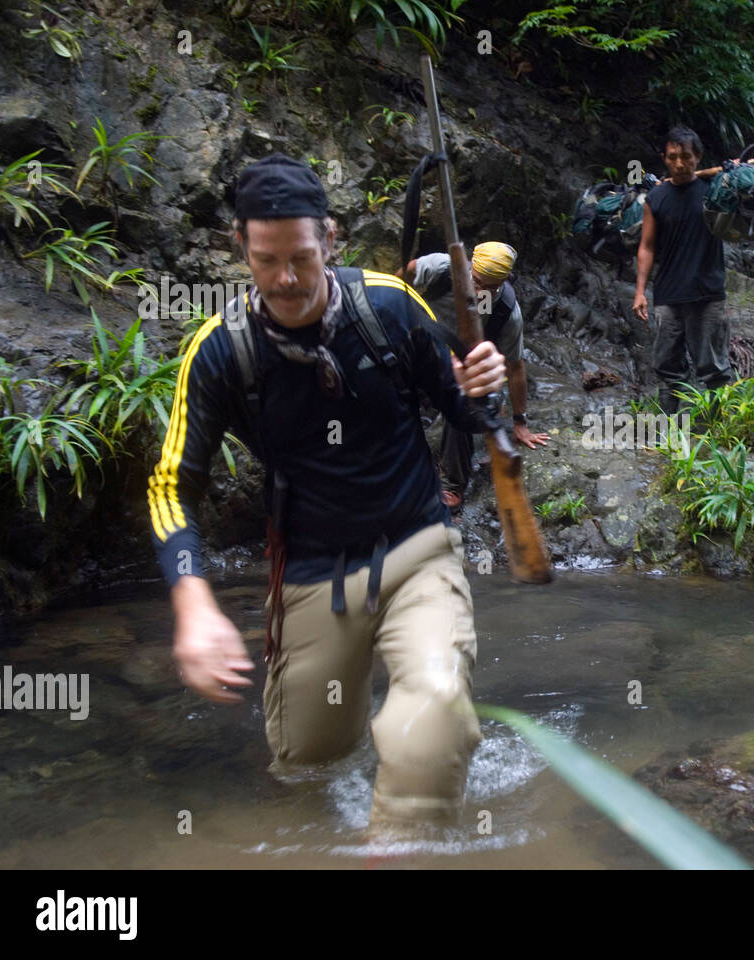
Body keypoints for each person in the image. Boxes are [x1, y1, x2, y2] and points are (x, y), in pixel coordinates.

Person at [147, 154, 507, 827]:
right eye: (266, 261)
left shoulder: (390, 307)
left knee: (432, 713)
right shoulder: (221, 352)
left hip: (416, 549)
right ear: (241, 248)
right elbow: (172, 489)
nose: (286, 280)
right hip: (313, 575)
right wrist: (193, 603)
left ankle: (396, 848)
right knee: (305, 773)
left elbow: (470, 416)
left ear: (330, 239)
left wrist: (487, 382)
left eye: (302, 259)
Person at [405, 243, 549, 510]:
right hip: (421, 352)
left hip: (461, 371)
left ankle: (451, 483)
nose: (481, 292)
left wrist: (520, 422)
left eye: (491, 288)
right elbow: (400, 280)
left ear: (504, 281)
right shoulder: (440, 269)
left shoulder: (507, 311)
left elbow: (515, 367)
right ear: (469, 266)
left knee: (469, 400)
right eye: (478, 281)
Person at [632, 125, 733, 414]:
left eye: (686, 157)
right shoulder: (656, 199)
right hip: (668, 295)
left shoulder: (713, 192)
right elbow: (647, 246)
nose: (679, 163)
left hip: (708, 294)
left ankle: (718, 433)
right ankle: (669, 431)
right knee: (668, 367)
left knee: (713, 369)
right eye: (673, 157)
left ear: (697, 157)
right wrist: (640, 291)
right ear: (664, 158)